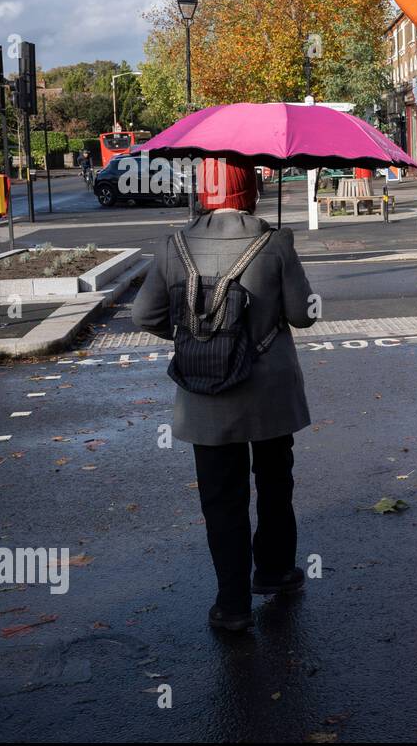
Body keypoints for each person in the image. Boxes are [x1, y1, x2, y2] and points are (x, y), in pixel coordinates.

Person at [131, 157, 317, 633]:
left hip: (203, 390)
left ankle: (231, 604)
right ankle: (274, 571)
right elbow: (301, 315)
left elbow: (144, 317)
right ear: (250, 189)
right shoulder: (275, 241)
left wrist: (196, 335)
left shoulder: (174, 245)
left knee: (221, 496)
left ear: (204, 190)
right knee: (275, 482)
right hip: (269, 392)